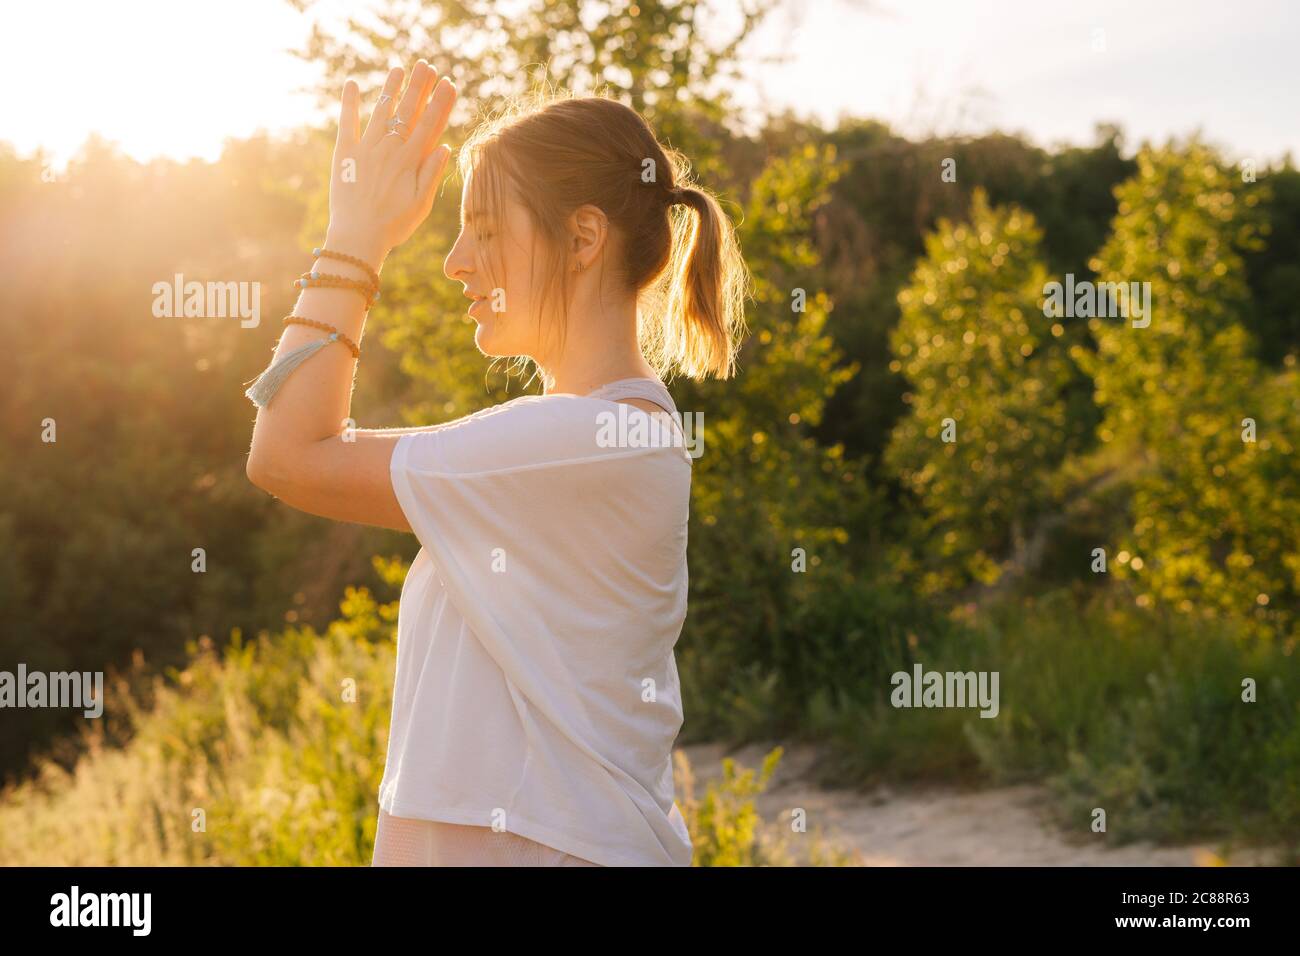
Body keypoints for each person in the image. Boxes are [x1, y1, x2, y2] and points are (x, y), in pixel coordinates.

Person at [244, 58, 748, 866]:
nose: (454, 262)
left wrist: (355, 237)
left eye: (483, 231)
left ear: (583, 238)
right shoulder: (585, 436)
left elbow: (290, 455)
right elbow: (304, 446)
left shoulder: (581, 444)